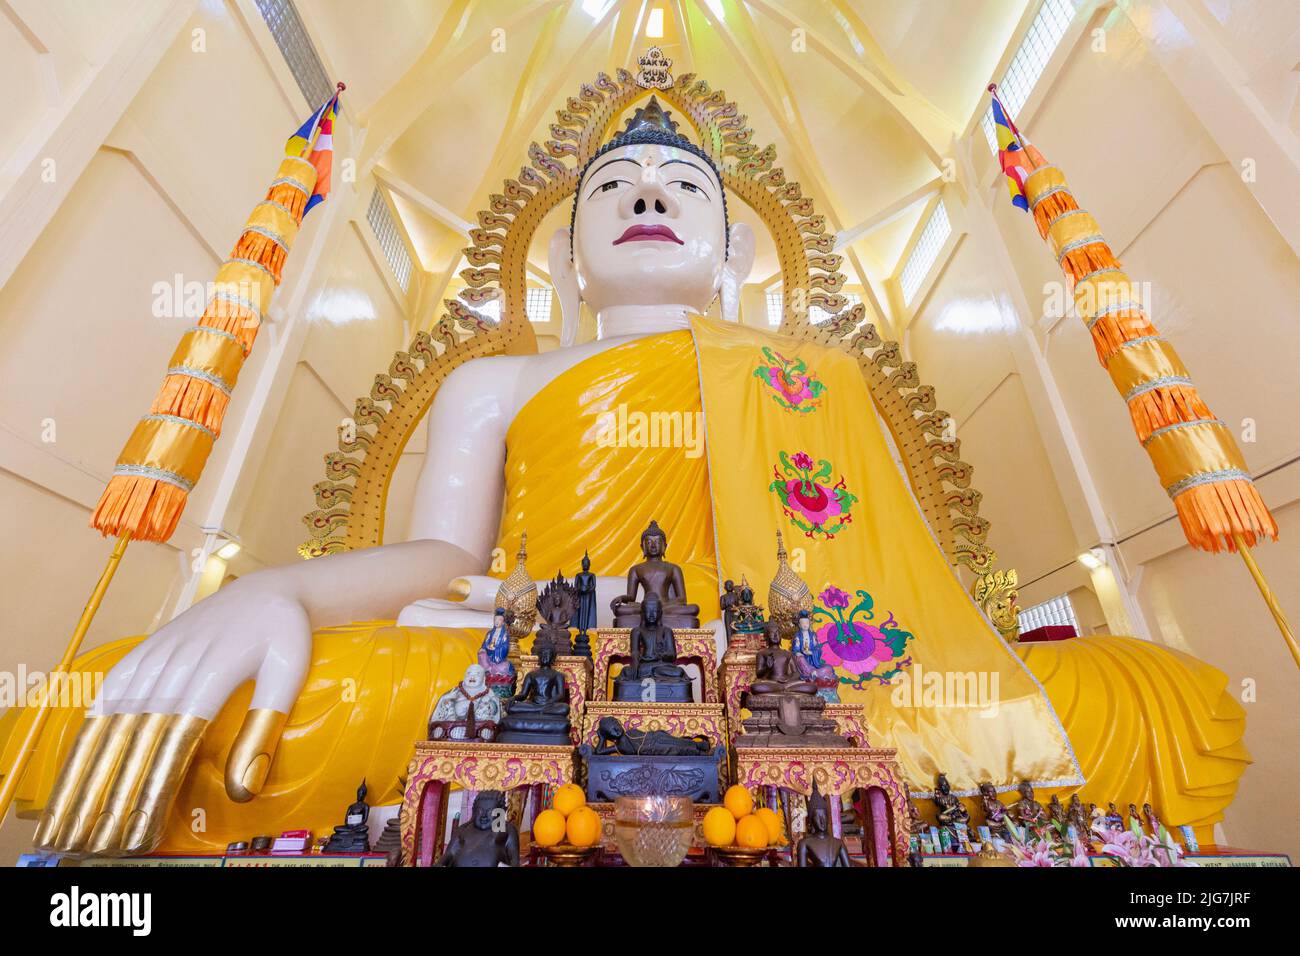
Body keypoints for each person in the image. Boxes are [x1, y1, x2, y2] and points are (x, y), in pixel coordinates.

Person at [20, 94, 1239, 858]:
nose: (646, 192)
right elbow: (450, 567)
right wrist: (275, 590)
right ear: (566, 255)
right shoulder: (493, 382)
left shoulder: (813, 374)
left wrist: (870, 644)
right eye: (612, 187)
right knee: (238, 696)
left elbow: (893, 593)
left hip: (798, 674)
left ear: (726, 251)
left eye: (677, 188)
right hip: (529, 660)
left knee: (1155, 690)